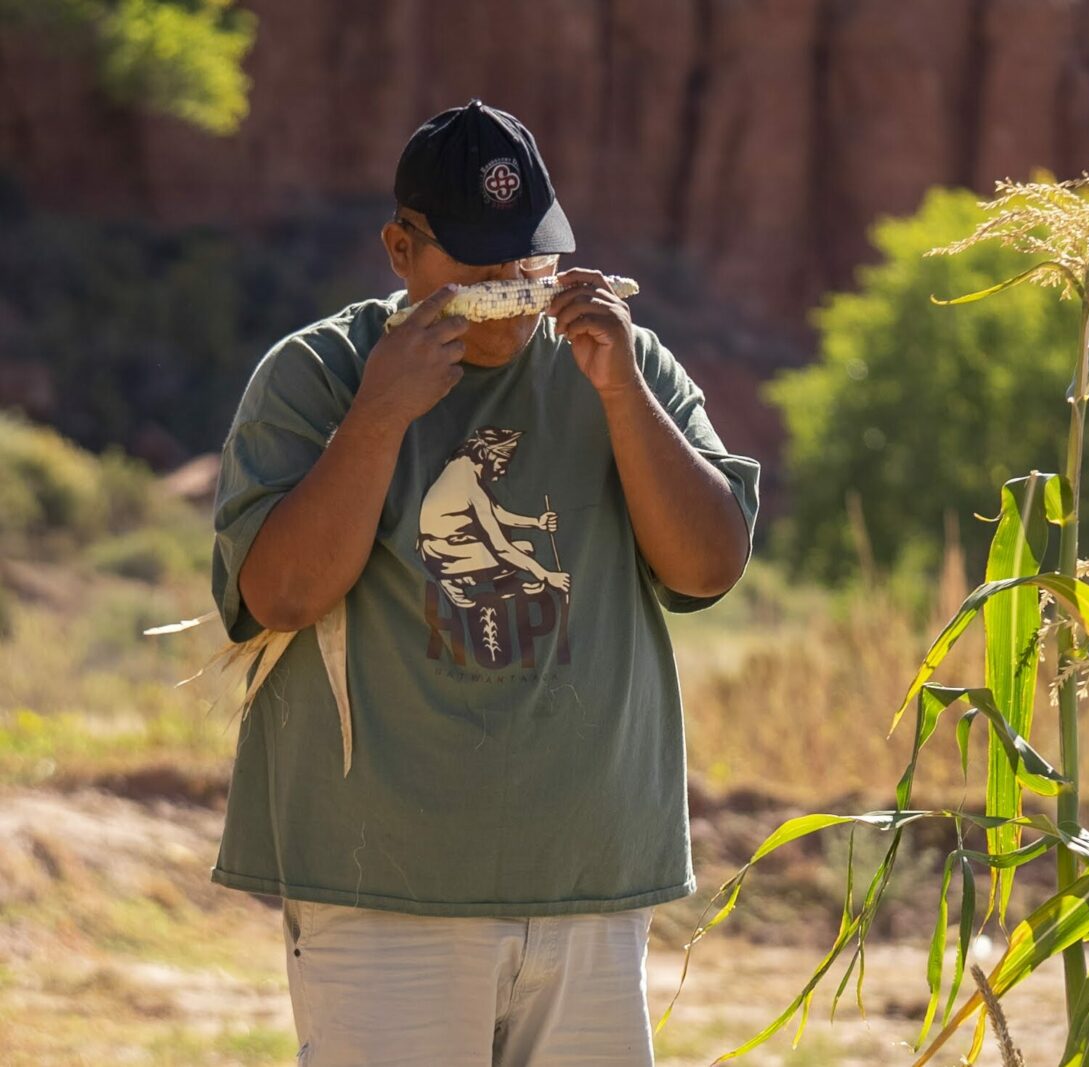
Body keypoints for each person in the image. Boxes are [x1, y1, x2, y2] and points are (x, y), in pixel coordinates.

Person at [208, 98, 760, 1066]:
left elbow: (707, 567)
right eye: (477, 261)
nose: (511, 283)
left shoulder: (620, 363)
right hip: (383, 878)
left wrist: (623, 389)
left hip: (589, 869)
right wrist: (380, 414)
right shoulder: (321, 372)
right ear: (400, 249)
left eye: (530, 257)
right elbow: (283, 596)